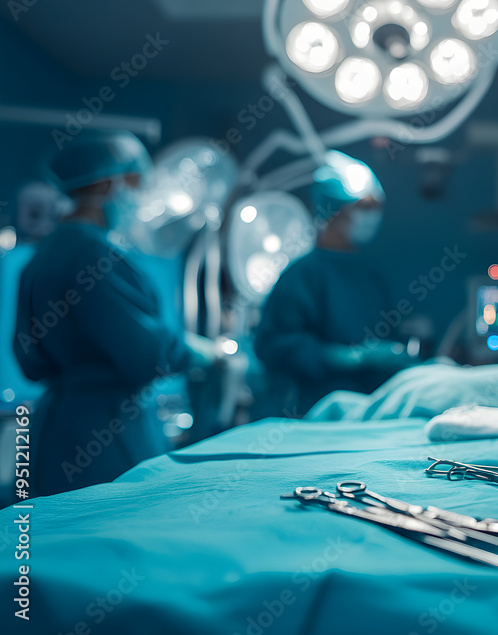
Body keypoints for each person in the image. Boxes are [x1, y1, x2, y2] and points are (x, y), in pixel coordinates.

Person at [14, 131, 220, 496]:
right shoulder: (95, 255)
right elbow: (144, 354)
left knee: (58, 526)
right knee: (116, 521)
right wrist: (198, 352)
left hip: (55, 430)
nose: (138, 195)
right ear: (107, 184)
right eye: (134, 182)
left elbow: (28, 357)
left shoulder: (44, 254)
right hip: (107, 433)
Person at [254, 151, 415, 416]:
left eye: (377, 207)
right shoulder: (302, 276)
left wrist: (400, 359)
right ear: (334, 211)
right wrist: (344, 358)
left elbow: (388, 336)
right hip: (311, 412)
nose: (373, 215)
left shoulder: (369, 276)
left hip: (365, 412)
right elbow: (274, 346)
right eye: (364, 207)